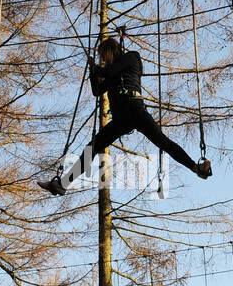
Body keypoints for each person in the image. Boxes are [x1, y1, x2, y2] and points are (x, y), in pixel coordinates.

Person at [39, 37, 211, 195]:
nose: (104, 60)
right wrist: (93, 71)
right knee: (93, 146)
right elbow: (97, 91)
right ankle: (63, 184)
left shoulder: (131, 57)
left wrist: (98, 69)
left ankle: (196, 168)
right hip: (121, 118)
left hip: (135, 109)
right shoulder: (112, 72)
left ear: (111, 50)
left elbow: (110, 71)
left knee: (163, 142)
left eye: (104, 56)